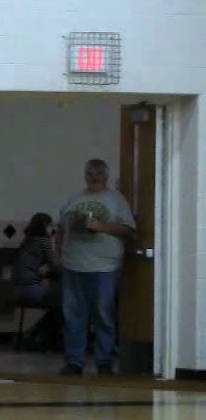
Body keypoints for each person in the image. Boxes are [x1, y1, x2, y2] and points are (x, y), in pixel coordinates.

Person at [55, 159, 135, 376]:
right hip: (74, 265)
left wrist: (101, 227)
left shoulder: (117, 200)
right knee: (73, 316)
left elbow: (128, 229)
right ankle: (74, 361)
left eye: (99, 172)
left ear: (106, 176)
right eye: (90, 172)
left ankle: (104, 361)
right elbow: (60, 228)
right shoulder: (74, 199)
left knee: (103, 314)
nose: (95, 176)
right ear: (85, 175)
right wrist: (58, 254)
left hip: (104, 266)